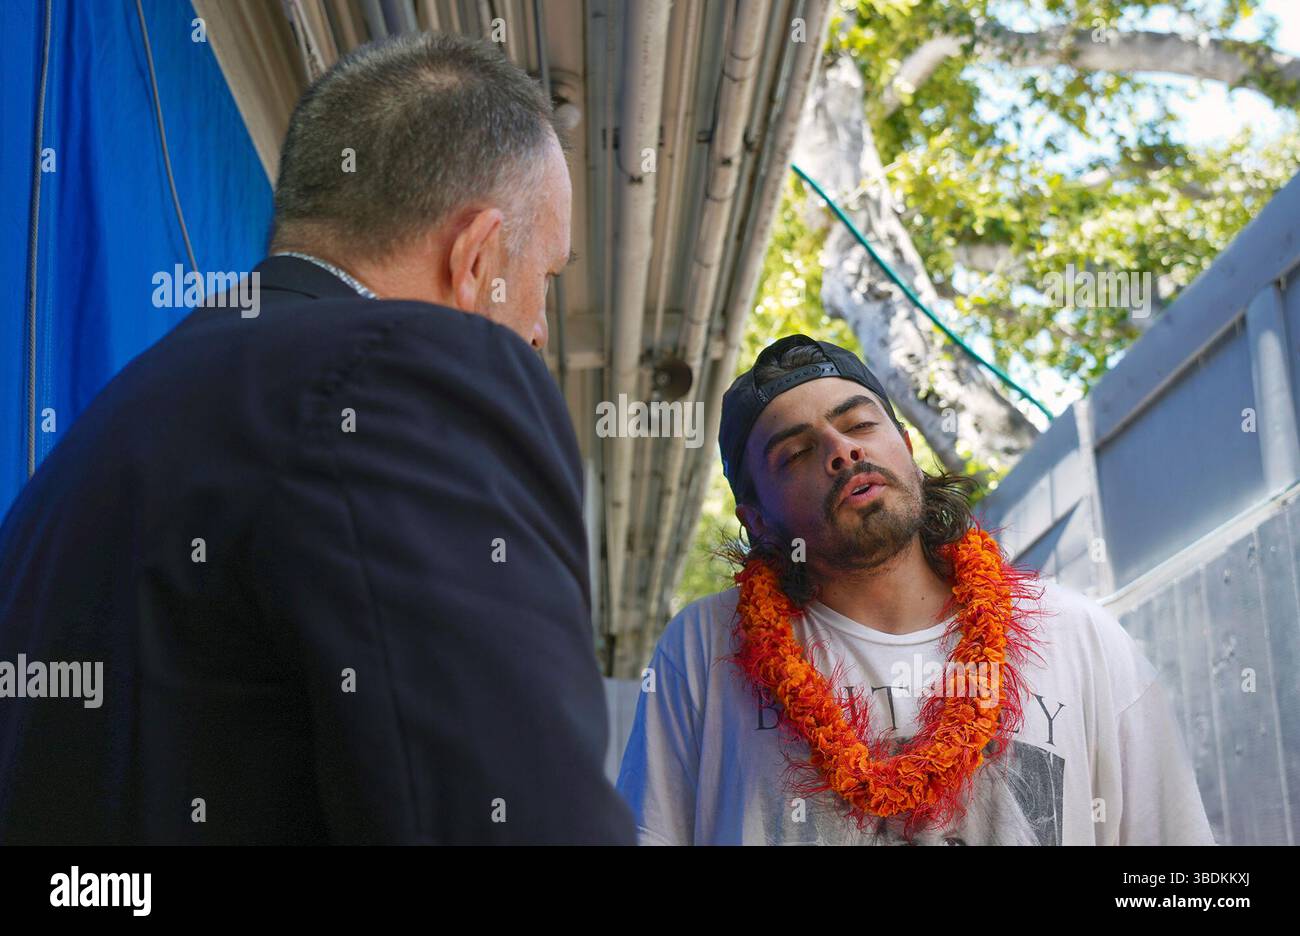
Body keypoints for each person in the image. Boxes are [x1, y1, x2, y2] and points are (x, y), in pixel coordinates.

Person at [0, 32, 634, 845]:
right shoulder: (412, 377)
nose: (541, 331)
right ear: (476, 260)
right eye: (545, 278)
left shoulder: (103, 437)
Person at [616, 334, 1216, 846]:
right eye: (797, 452)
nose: (842, 449)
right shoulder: (705, 648)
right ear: (757, 519)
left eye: (859, 424)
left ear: (905, 446)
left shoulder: (1078, 636)